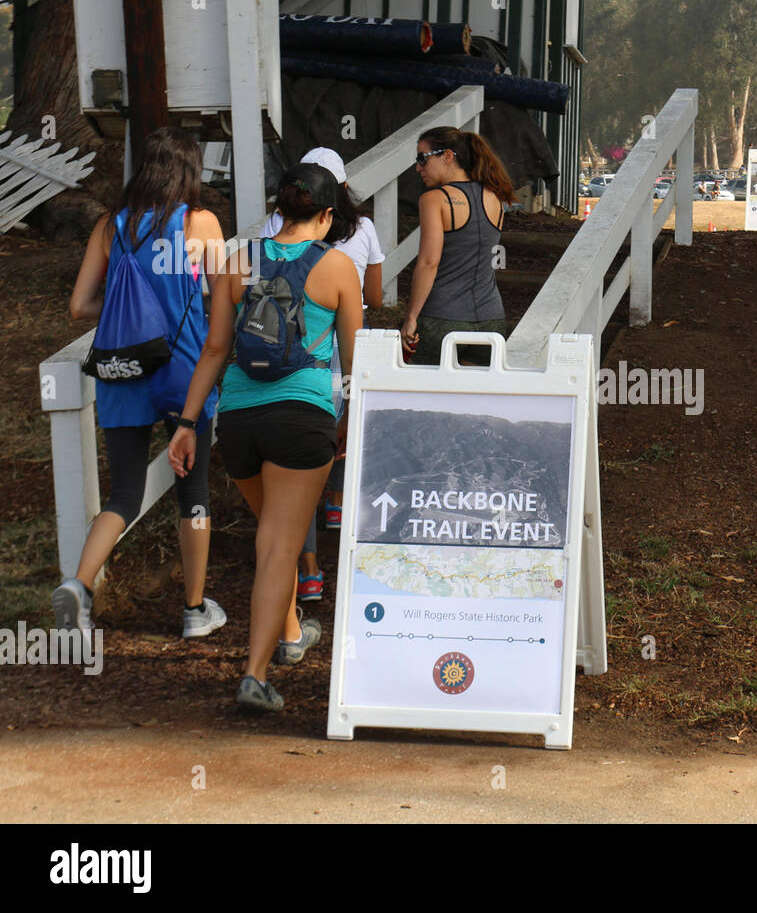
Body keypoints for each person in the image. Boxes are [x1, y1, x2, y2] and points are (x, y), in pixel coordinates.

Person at [168, 162, 363, 712]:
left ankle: (293, 634)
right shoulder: (338, 267)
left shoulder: (238, 259)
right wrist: (351, 424)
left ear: (280, 208)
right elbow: (355, 363)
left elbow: (214, 350)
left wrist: (187, 425)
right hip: (302, 418)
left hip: (238, 422)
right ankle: (254, 675)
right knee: (279, 544)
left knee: (271, 534)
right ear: (326, 215)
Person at [55, 127, 226, 643]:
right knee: (192, 492)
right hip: (186, 372)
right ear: (189, 171)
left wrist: (129, 307)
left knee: (125, 493)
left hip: (123, 370)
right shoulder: (202, 224)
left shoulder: (112, 227)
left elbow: (79, 305)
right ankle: (195, 610)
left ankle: (80, 587)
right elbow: (224, 299)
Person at [261, 147, 385, 601]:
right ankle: (337, 502)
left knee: (293, 473)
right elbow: (373, 294)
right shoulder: (363, 229)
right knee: (341, 423)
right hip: (341, 338)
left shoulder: (273, 231)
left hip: (283, 353)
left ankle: (309, 571)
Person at [402, 127, 514, 366]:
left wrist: (411, 317)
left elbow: (429, 263)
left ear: (448, 156)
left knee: (425, 399)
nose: (418, 168)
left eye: (423, 158)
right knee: (475, 400)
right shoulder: (496, 197)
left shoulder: (434, 199)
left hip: (441, 319)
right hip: (491, 320)